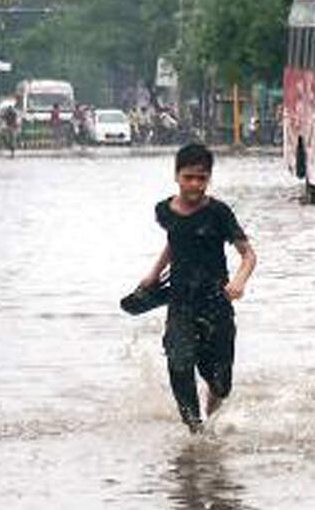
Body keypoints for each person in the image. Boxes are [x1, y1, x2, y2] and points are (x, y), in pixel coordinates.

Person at [137, 143, 257, 434]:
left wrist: (238, 282)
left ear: (209, 179)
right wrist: (153, 274)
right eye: (188, 177)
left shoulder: (218, 212)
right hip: (180, 302)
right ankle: (194, 429)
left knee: (221, 382)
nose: (194, 184)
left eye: (201, 178)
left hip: (216, 303)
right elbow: (175, 242)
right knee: (179, 362)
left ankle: (210, 412)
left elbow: (249, 255)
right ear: (176, 176)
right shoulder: (164, 210)